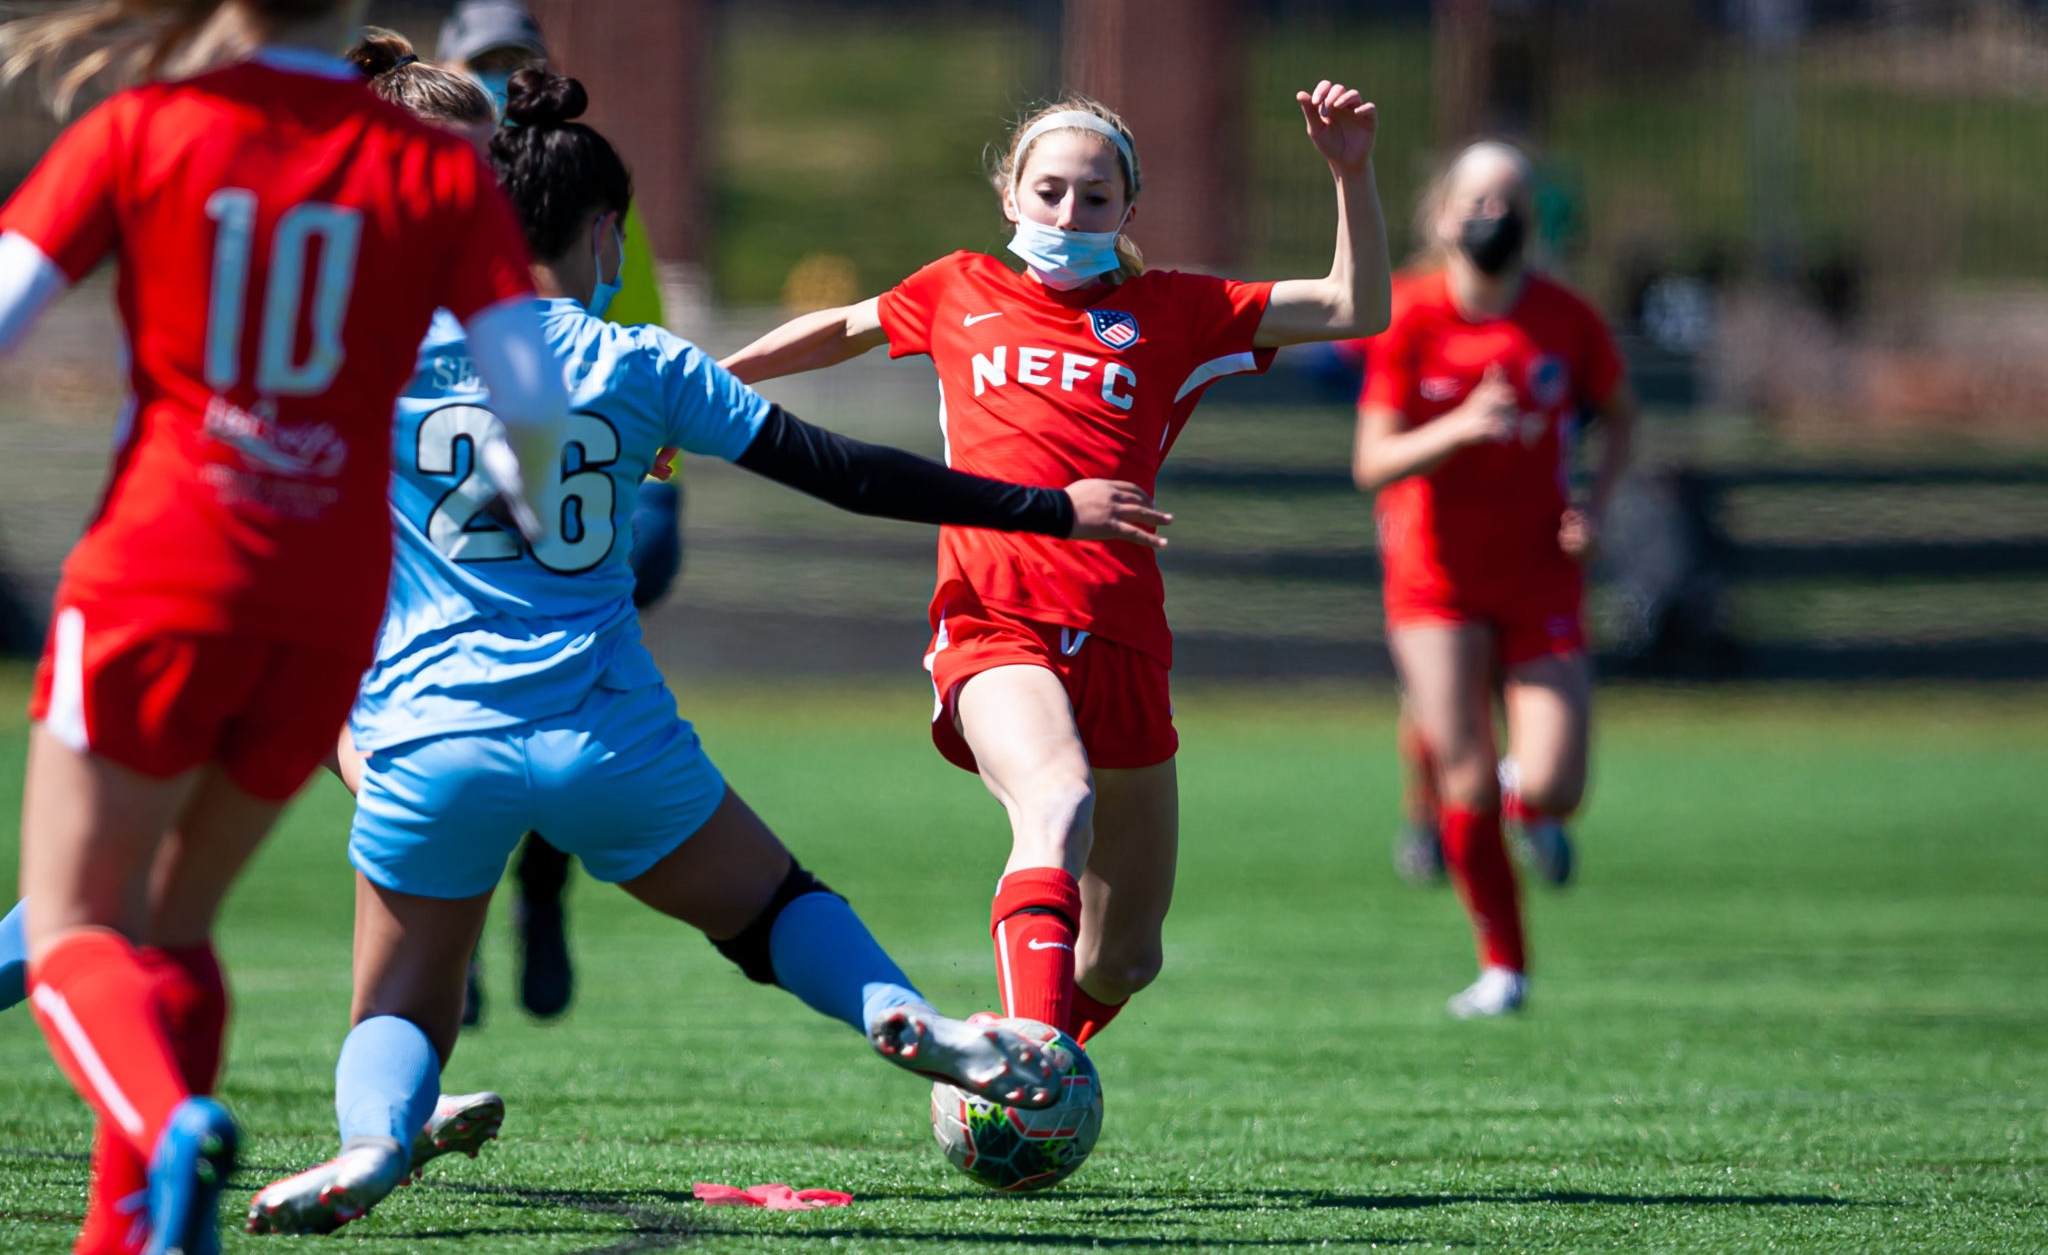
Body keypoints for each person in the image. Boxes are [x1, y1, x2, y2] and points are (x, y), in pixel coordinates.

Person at [243, 67, 1169, 1236]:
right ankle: (900, 1012)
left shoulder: (378, 359)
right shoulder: (641, 364)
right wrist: (1047, 508)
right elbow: (846, 472)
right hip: (606, 729)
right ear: (604, 234)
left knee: (403, 1001)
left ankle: (375, 1139)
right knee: (776, 908)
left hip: (426, 735)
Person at [0, 1, 569, 1251]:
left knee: (74, 931)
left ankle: (169, 1126)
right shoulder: (434, 164)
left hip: (161, 566)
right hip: (328, 594)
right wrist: (522, 488)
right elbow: (525, 381)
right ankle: (135, 1234)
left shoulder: (146, 125)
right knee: (171, 922)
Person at [719, 84, 1390, 1048]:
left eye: (1094, 198)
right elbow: (844, 328)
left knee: (1124, 956)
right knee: (1055, 801)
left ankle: (1011, 1072)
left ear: (1127, 212)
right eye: (1049, 193)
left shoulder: (1175, 310)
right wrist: (711, 385)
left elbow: (1353, 306)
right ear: (1010, 197)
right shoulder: (957, 287)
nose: (1069, 214)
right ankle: (1030, 1074)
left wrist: (1350, 170)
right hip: (994, 618)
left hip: (1123, 634)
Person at [1351, 140, 1636, 1018]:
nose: (1493, 218)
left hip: (1540, 574)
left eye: (1510, 201)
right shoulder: (1409, 312)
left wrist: (1595, 501)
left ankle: (1521, 810)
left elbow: (1618, 418)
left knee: (1554, 783)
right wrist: (1462, 428)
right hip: (1434, 577)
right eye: (1475, 201)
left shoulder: (1566, 318)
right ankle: (1503, 967)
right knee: (1465, 776)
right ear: (1441, 217)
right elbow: (1373, 460)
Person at [440, 0, 677, 1022]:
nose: (497, 83)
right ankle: (456, 909)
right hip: (448, 486)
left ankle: (531, 887)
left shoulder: (584, 202)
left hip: (596, 477)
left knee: (539, 672)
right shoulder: (418, 205)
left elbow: (627, 359)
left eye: (513, 65)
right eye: (479, 65)